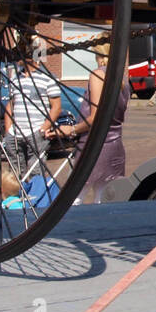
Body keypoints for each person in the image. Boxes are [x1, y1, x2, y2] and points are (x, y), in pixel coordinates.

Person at [47, 32, 128, 202]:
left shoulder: (98, 75)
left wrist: (71, 129)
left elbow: (95, 118)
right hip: (115, 147)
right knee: (104, 200)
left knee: (72, 200)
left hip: (94, 147)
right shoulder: (123, 79)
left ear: (98, 54)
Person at [3, 36, 61, 183]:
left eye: (22, 52)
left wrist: (43, 129)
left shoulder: (48, 78)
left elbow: (56, 106)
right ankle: (18, 202)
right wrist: (8, 129)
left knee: (37, 172)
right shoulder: (16, 78)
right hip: (15, 134)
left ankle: (36, 203)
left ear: (31, 55)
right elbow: (11, 104)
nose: (18, 56)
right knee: (14, 174)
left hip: (36, 132)